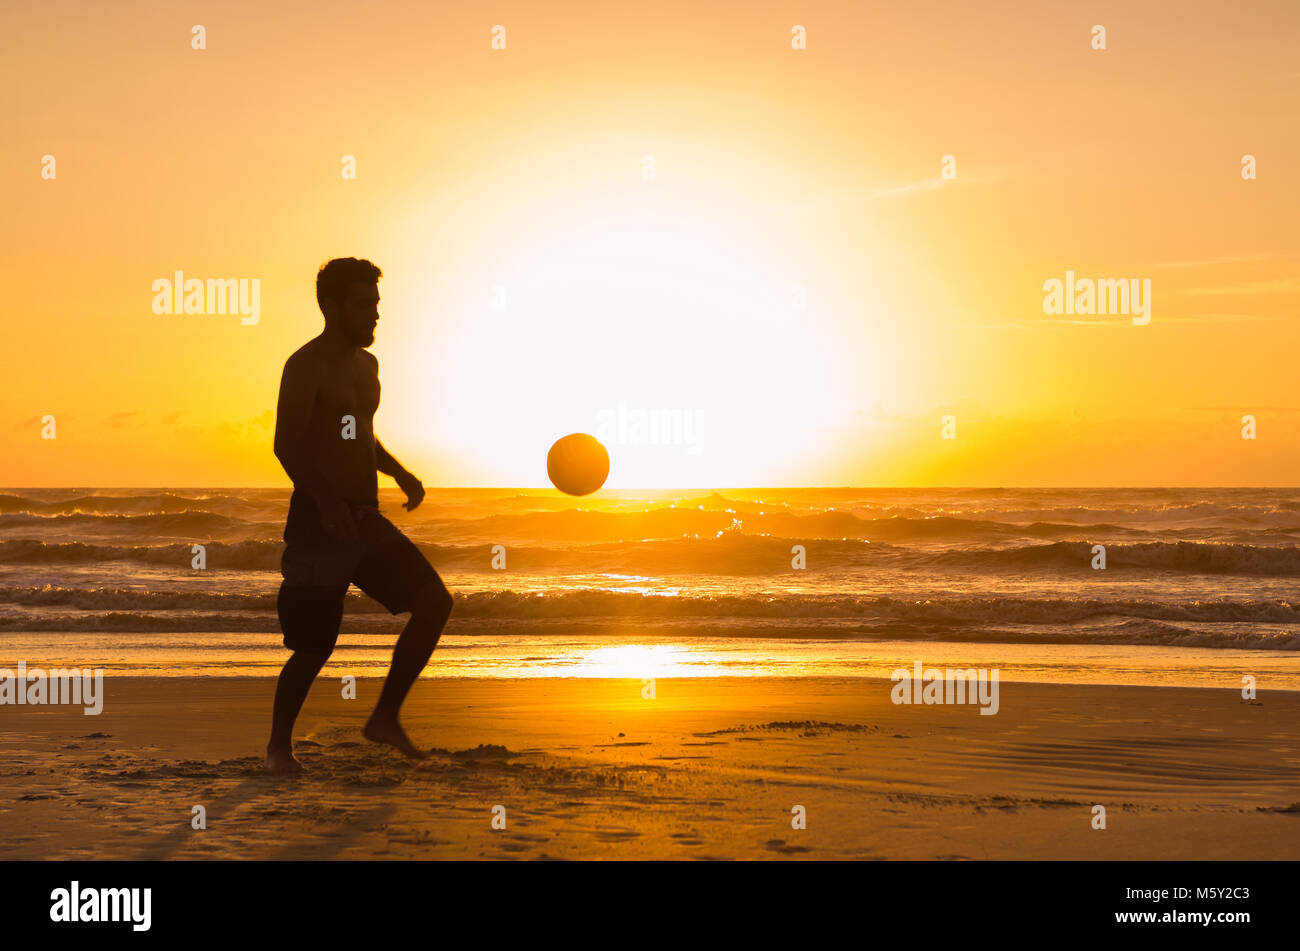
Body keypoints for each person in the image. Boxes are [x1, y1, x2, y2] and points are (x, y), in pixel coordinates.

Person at [265, 257, 452, 774]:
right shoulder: (305, 365)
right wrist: (325, 501)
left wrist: (398, 471)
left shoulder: (366, 367)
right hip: (317, 520)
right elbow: (287, 443)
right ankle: (278, 747)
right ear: (331, 306)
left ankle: (385, 719)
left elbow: (360, 435)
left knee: (434, 601)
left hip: (364, 520)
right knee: (314, 646)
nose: (373, 315)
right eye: (362, 305)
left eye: (375, 304)